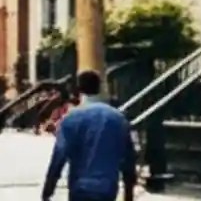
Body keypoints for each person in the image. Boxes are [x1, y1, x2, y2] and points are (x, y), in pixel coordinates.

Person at [42, 70, 138, 201]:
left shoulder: (71, 118)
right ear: (99, 87)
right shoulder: (118, 118)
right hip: (107, 186)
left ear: (78, 89)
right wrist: (129, 192)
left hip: (80, 187)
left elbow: (59, 156)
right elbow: (128, 157)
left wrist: (48, 191)